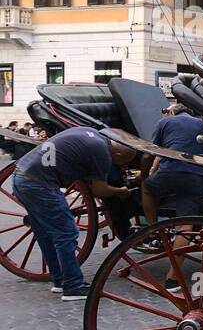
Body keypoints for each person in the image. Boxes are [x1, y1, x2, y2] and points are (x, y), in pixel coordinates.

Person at [11, 126, 134, 300]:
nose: (117, 166)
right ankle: (73, 286)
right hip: (41, 184)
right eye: (120, 163)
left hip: (21, 176)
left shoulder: (90, 133)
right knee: (66, 233)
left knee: (45, 233)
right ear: (119, 155)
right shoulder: (102, 153)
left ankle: (60, 280)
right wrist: (120, 191)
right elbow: (100, 189)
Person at [140, 106, 203, 290]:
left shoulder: (165, 122)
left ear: (171, 112)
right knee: (185, 227)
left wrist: (144, 175)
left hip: (171, 172)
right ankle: (172, 279)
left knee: (146, 188)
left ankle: (152, 230)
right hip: (199, 177)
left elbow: (150, 153)